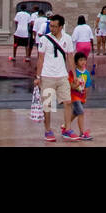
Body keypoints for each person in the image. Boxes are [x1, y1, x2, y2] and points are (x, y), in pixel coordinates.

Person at [35, 13, 76, 142]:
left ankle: (67, 129)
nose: (51, 28)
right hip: (47, 76)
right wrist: (38, 76)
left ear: (61, 27)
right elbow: (40, 59)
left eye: (54, 26)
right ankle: (48, 130)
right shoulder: (44, 39)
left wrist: (74, 75)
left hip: (62, 75)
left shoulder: (67, 38)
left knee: (68, 102)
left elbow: (70, 57)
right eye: (50, 26)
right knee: (48, 105)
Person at [70, 52, 93, 141]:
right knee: (81, 112)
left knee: (75, 113)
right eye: (80, 60)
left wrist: (85, 97)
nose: (83, 62)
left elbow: (87, 86)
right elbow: (71, 86)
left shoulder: (87, 73)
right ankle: (82, 133)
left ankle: (65, 125)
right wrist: (77, 85)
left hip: (81, 97)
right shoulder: (73, 73)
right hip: (74, 96)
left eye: (84, 60)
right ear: (76, 62)